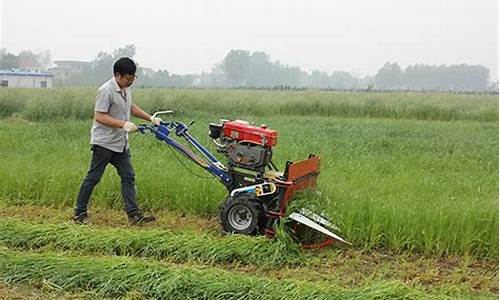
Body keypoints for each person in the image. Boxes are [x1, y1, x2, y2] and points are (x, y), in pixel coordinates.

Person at [73, 57, 161, 225]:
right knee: (93, 177)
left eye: (133, 78)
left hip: (120, 143)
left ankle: (134, 215)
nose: (131, 82)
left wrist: (150, 118)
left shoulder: (125, 89)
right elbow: (99, 116)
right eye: (128, 78)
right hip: (104, 143)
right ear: (118, 75)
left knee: (128, 176)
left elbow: (131, 107)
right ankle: (79, 213)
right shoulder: (106, 90)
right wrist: (123, 124)